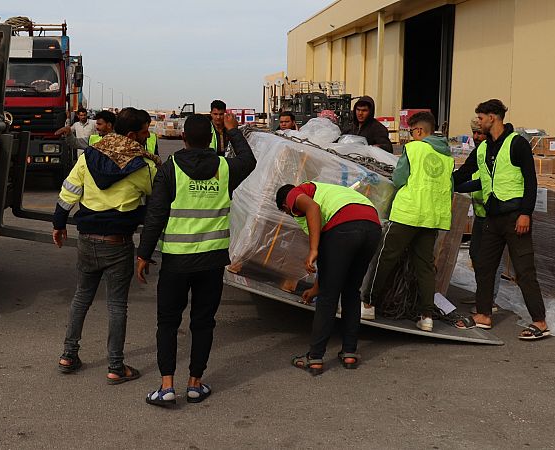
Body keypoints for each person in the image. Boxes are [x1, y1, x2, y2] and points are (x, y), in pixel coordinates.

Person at [136, 112, 256, 407]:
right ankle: (194, 384)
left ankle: (166, 387)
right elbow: (249, 161)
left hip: (177, 262)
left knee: (167, 322)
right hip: (212, 261)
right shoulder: (226, 168)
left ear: (184, 138)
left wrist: (143, 254)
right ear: (211, 138)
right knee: (203, 322)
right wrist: (233, 131)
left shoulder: (170, 170)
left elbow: (155, 216)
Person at [52, 107, 162, 383]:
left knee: (81, 297)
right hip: (118, 244)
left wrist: (59, 223)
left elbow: (69, 191)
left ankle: (68, 354)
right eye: (146, 130)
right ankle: (115, 366)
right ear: (133, 134)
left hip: (87, 240)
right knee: (116, 305)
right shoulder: (144, 165)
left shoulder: (90, 155)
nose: (148, 135)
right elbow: (156, 202)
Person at [452, 99, 550, 340]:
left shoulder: (517, 144)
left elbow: (530, 181)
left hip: (516, 216)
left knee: (524, 270)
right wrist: (436, 182)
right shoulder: (483, 148)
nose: (479, 123)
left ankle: (540, 321)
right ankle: (483, 315)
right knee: (485, 265)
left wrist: (526, 212)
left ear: (493, 117)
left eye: (481, 118)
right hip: (492, 218)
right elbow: (464, 173)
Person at [275, 182, 382, 374]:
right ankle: (349, 352)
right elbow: (330, 265)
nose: (292, 214)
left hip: (345, 226)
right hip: (372, 227)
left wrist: (313, 249)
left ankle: (315, 357)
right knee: (351, 291)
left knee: (328, 297)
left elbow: (312, 208)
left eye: (288, 212)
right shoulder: (329, 195)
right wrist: (316, 287)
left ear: (285, 205)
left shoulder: (294, 193)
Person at [361, 111, 454, 332]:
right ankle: (427, 316)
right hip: (431, 218)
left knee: (386, 257)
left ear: (419, 131)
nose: (410, 136)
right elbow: (449, 190)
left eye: (411, 132)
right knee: (425, 267)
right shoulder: (447, 157)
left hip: (407, 213)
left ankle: (368, 304)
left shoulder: (413, 149)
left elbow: (398, 179)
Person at [456, 118, 505, 311]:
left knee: (491, 259)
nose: (476, 137)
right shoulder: (479, 152)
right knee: (475, 254)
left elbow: (481, 182)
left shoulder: (492, 152)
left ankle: (489, 300)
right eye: (473, 133)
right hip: (480, 214)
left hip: (494, 216)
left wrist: (456, 186)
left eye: (479, 133)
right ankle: (482, 294)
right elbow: (467, 173)